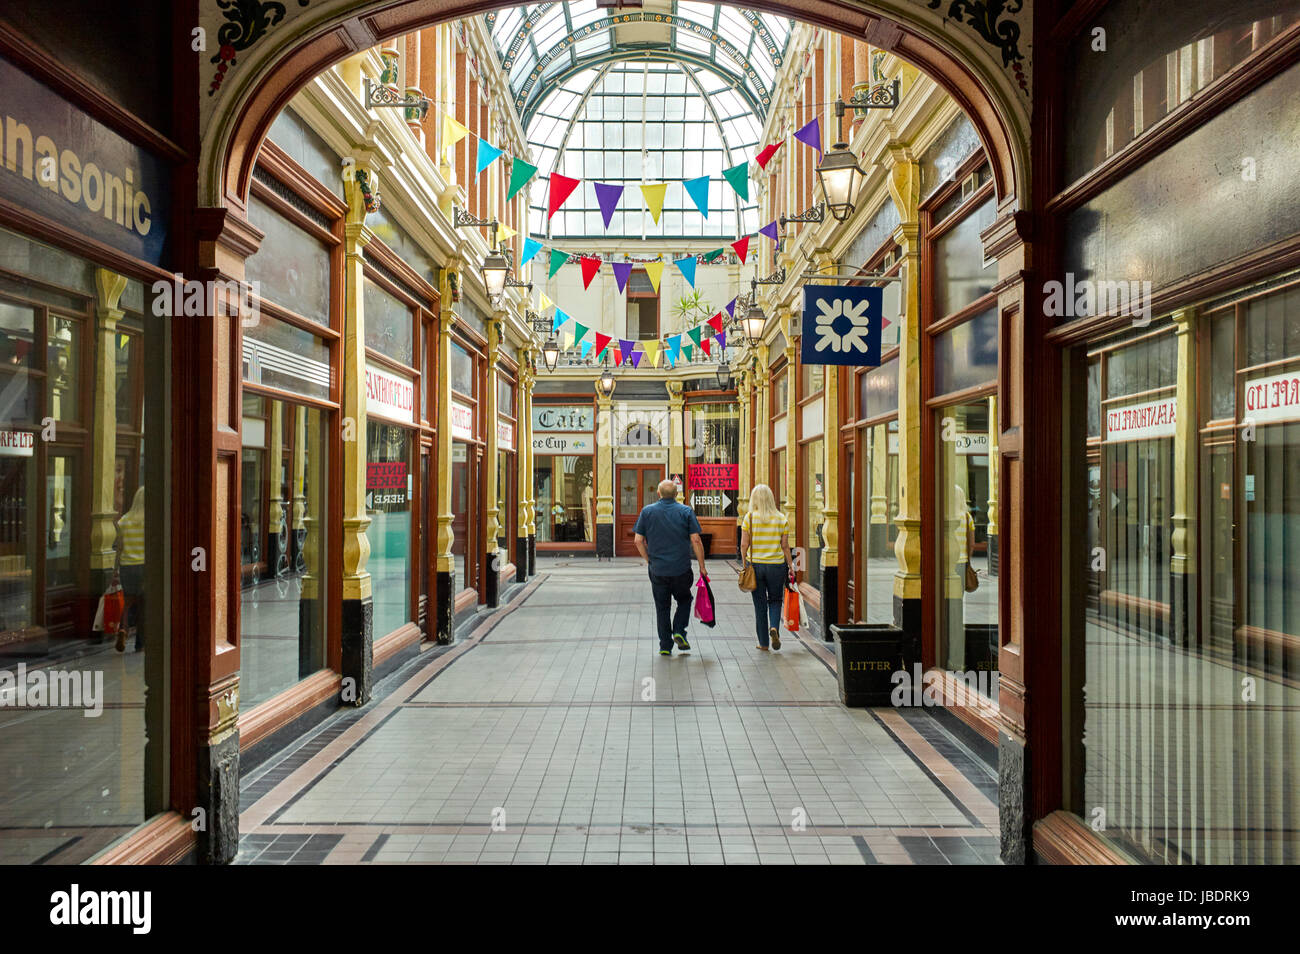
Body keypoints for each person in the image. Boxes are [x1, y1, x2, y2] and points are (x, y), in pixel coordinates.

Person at [633, 479, 707, 657]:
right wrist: (702, 567)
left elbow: (638, 540)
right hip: (681, 569)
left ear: (658, 494)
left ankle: (665, 646)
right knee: (684, 599)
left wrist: (649, 559)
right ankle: (679, 630)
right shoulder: (686, 511)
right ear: (676, 494)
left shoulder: (647, 512)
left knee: (662, 607)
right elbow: (696, 540)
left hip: (658, 570)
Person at [740, 484, 792, 652]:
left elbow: (743, 544)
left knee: (760, 604)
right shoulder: (781, 518)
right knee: (776, 600)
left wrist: (744, 563)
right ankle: (774, 628)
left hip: (755, 565)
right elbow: (785, 546)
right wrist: (791, 566)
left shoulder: (749, 518)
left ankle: (763, 643)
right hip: (777, 566)